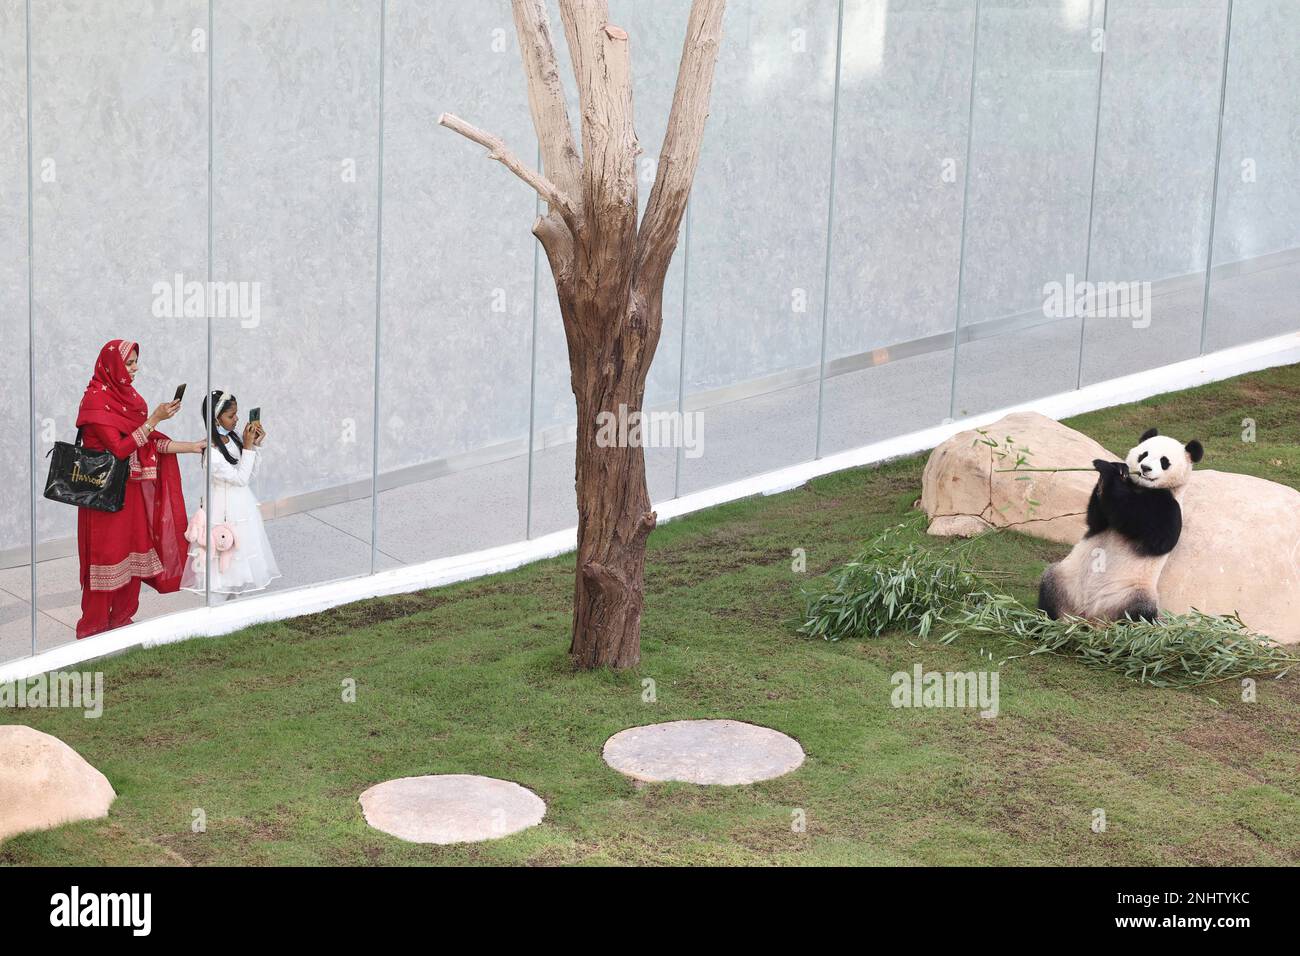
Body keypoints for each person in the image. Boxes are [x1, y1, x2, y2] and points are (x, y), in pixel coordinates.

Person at [75, 339, 207, 639]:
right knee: (106, 560)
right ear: (112, 366)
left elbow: (149, 442)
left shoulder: (130, 399)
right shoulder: (96, 402)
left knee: (132, 555)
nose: (135, 369)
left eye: (136, 363)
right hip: (104, 497)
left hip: (131, 495)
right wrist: (154, 419)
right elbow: (121, 448)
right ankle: (93, 630)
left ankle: (122, 622)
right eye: (129, 363)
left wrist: (192, 446)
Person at [181, 390, 280, 596]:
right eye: (230, 415)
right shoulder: (213, 452)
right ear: (216, 420)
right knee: (223, 555)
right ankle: (218, 602)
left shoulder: (233, 439)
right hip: (223, 509)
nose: (236, 419)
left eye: (236, 414)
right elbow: (240, 478)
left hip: (241, 504)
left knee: (240, 555)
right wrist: (248, 446)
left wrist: (254, 446)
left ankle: (234, 599)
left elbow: (249, 474)